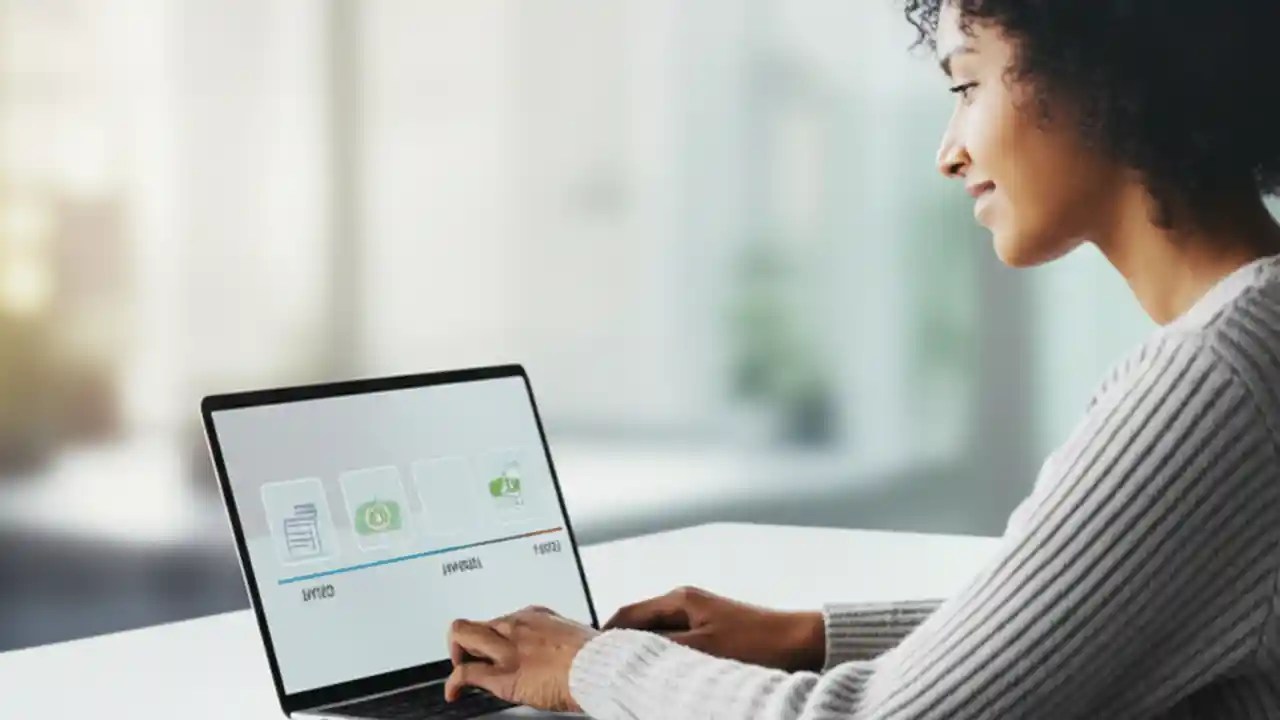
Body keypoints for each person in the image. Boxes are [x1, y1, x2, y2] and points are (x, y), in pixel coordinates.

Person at [443, 0, 1280, 716]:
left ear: (1104, 74)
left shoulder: (1216, 380)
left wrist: (587, 664)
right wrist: (806, 635)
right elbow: (1114, 613)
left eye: (967, 85)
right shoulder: (1256, 334)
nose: (949, 150)